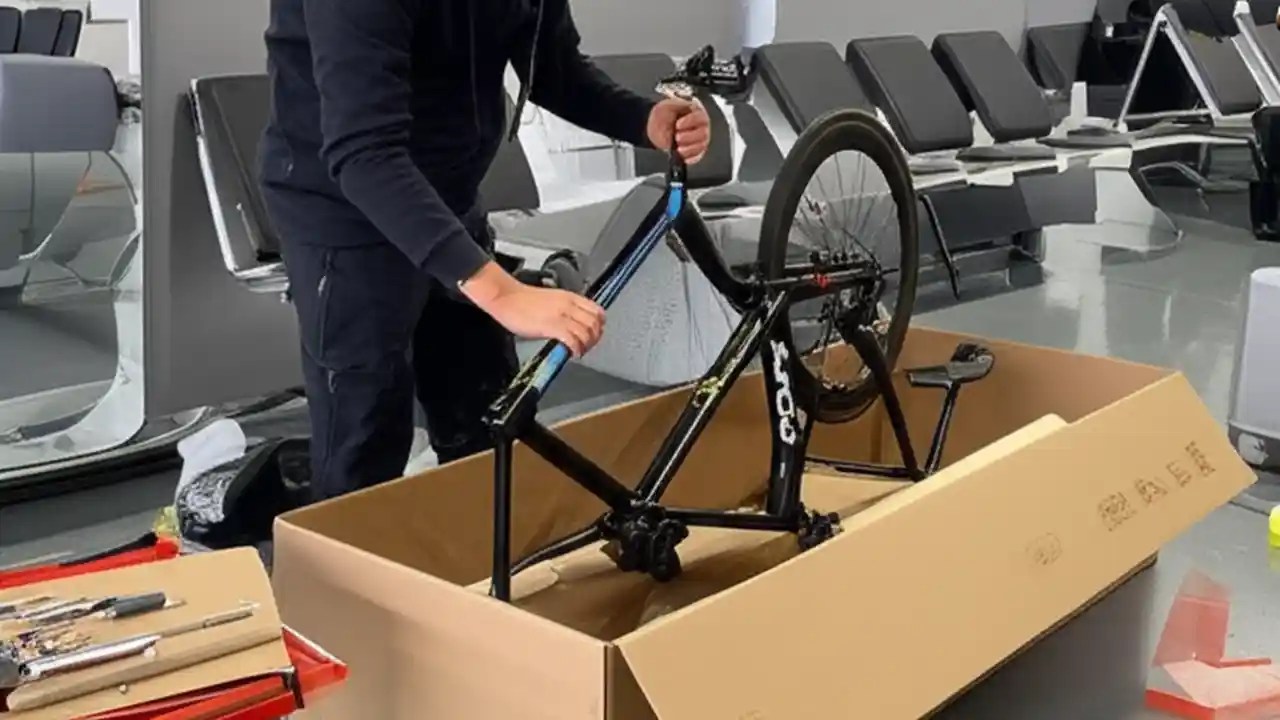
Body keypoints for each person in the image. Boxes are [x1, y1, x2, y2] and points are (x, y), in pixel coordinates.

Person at [259, 0, 711, 503]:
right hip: (344, 215)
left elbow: (554, 67)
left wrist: (642, 119)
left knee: (487, 424)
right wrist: (503, 293)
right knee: (364, 447)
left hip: (446, 199)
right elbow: (364, 154)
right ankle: (343, 578)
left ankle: (475, 569)